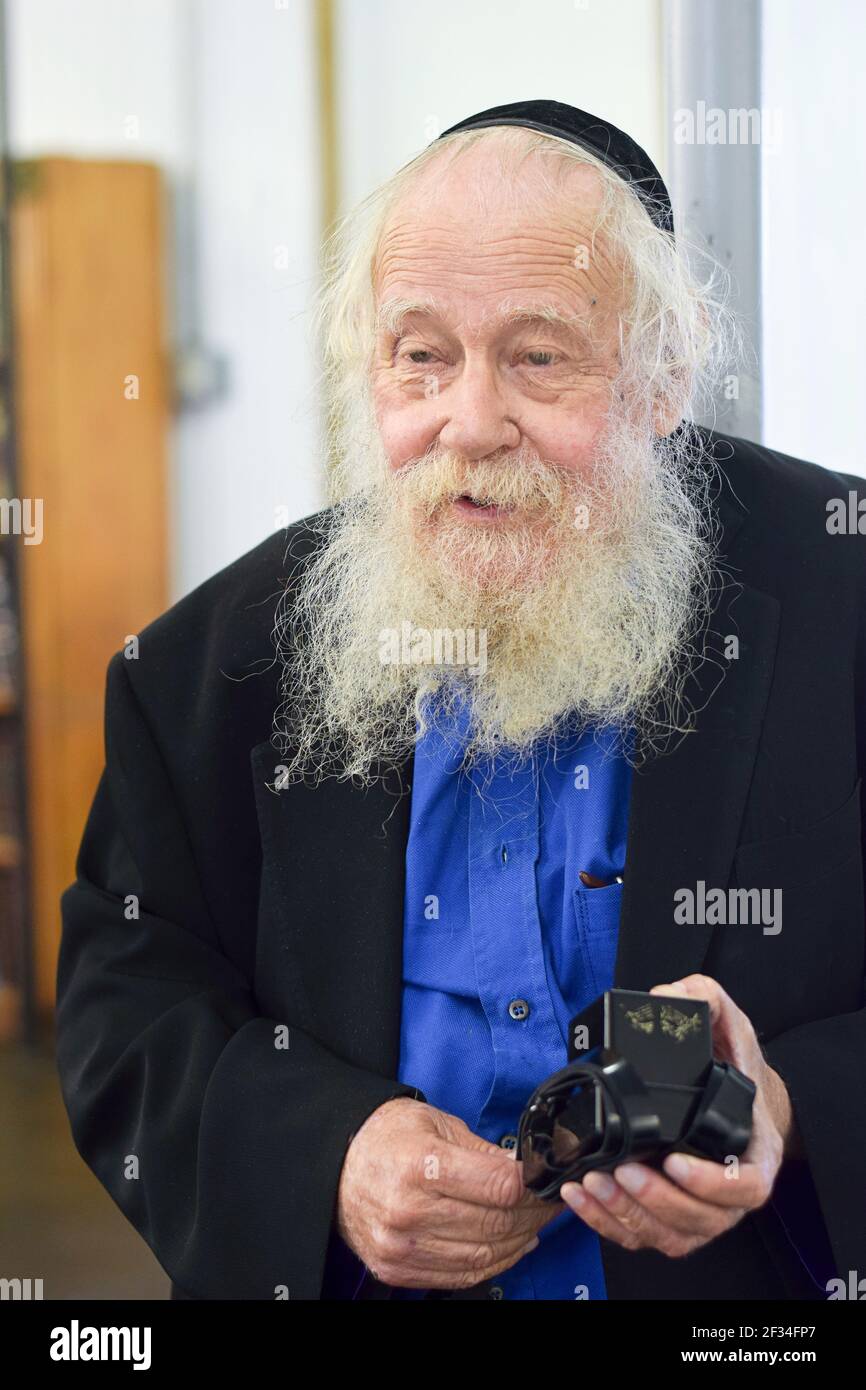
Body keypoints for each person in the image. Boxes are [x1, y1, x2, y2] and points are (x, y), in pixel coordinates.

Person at [56, 100, 864, 1300]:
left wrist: (792, 1111)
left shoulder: (841, 596)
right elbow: (129, 994)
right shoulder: (200, 666)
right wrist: (322, 1153)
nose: (471, 424)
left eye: (538, 357)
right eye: (420, 355)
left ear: (660, 374)